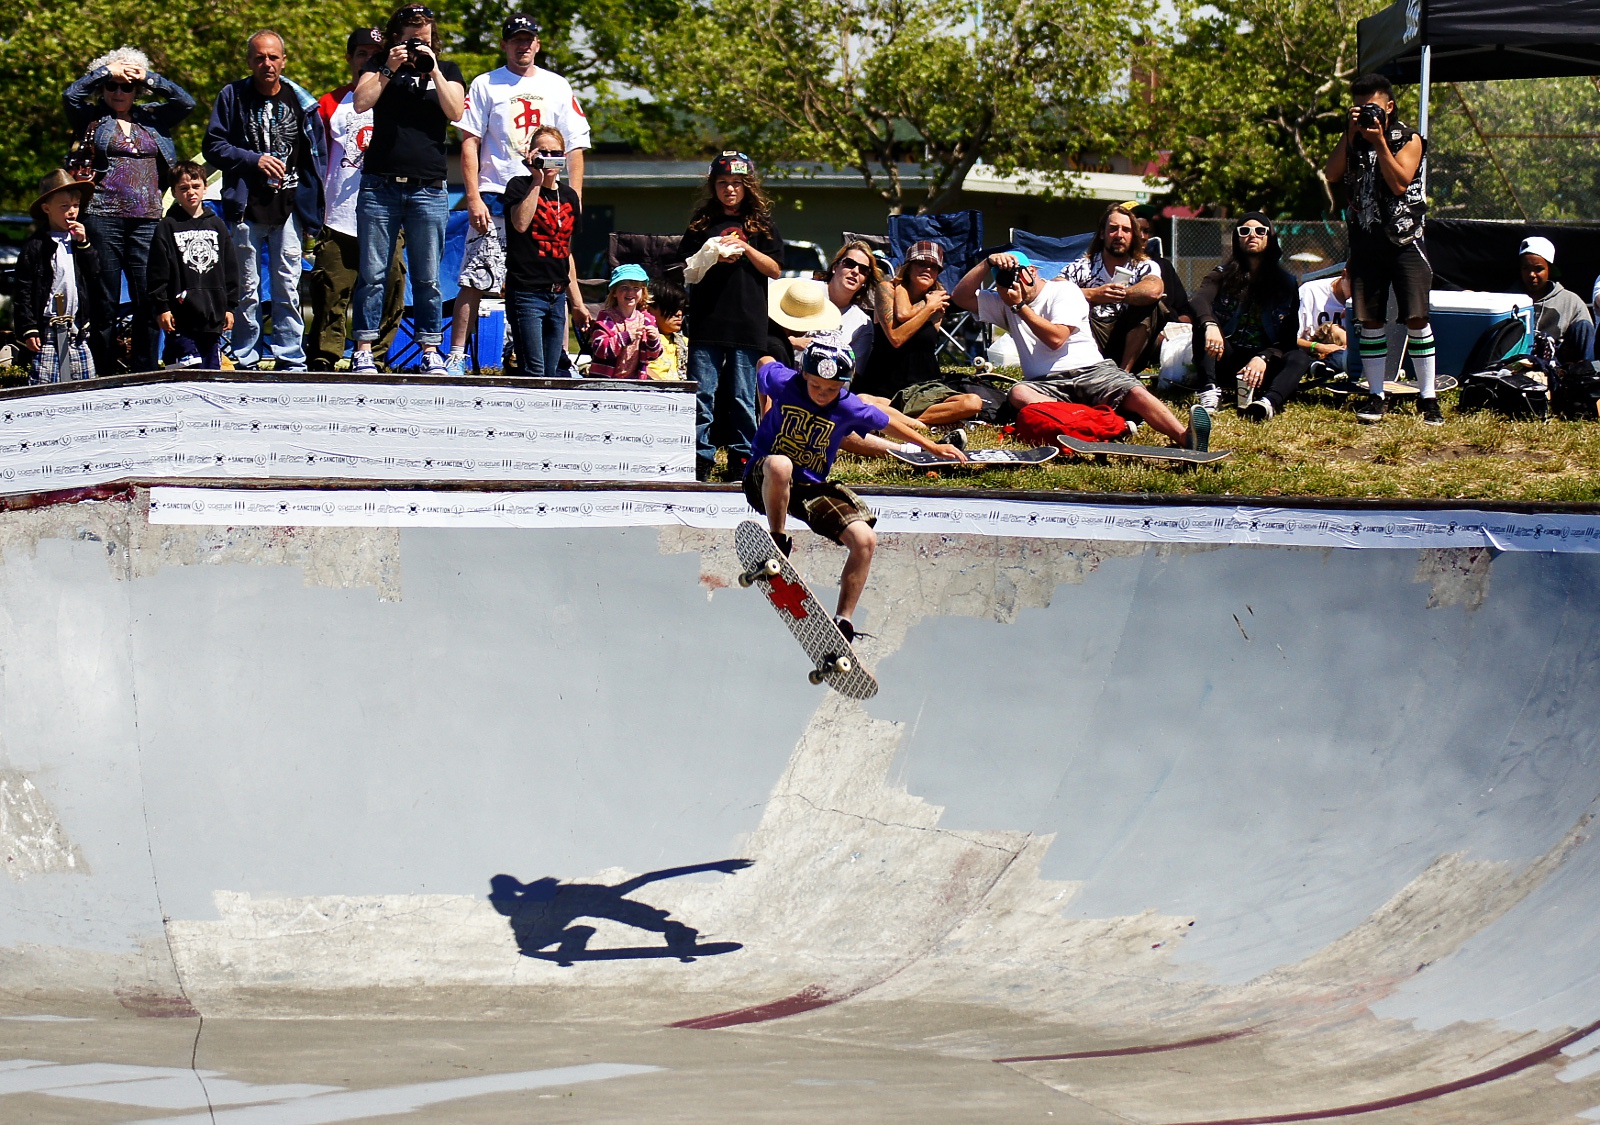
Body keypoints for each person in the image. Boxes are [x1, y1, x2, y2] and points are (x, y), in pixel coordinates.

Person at [745, 334, 966, 641]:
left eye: (832, 389)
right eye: (816, 386)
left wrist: (931, 446)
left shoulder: (849, 406)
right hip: (762, 479)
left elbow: (887, 421)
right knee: (781, 464)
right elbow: (764, 362)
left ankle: (843, 621)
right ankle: (778, 539)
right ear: (805, 374)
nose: (823, 394)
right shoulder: (785, 382)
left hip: (808, 487)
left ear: (845, 384)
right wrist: (765, 408)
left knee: (865, 539)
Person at [448, 13, 591, 377]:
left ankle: (558, 357)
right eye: (515, 40)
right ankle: (457, 354)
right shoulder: (485, 84)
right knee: (476, 275)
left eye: (528, 39)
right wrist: (474, 195)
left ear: (538, 44)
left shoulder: (558, 85)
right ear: (504, 44)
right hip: (497, 191)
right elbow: (470, 142)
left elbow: (575, 146)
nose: (523, 46)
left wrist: (573, 196)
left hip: (549, 197)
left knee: (554, 271)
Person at [952, 250, 1210, 450]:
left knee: (1134, 391)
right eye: (1004, 281)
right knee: (1019, 393)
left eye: (1017, 275)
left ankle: (1185, 436)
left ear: (1032, 270)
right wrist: (987, 263)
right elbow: (960, 297)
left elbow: (1056, 338)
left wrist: (1020, 307)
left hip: (1090, 371)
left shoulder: (1063, 291)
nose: (1013, 284)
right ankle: (1102, 423)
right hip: (1044, 384)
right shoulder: (1006, 299)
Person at [63, 46, 195, 373]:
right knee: (104, 302)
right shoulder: (91, 118)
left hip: (148, 219)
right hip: (102, 217)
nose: (119, 92)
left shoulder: (153, 116)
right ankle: (104, 374)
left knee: (148, 301)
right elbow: (70, 96)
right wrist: (106, 71)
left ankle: (144, 372)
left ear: (137, 90)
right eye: (112, 86)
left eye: (127, 86)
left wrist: (150, 78)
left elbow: (186, 103)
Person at [349, 4, 466, 375]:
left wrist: (432, 70)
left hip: (428, 188)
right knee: (373, 272)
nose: (418, 45)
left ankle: (431, 348)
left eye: (425, 38)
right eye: (412, 39)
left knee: (427, 275)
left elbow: (456, 111)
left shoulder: (446, 70)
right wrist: (389, 67)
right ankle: (364, 348)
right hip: (380, 184)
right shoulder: (380, 67)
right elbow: (361, 101)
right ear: (397, 37)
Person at [203, 30, 324, 372]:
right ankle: (246, 357)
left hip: (289, 207)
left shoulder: (300, 101)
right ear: (249, 61)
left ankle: (290, 358)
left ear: (283, 61)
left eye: (273, 57)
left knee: (288, 286)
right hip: (246, 206)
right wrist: (252, 159)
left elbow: (317, 158)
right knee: (247, 288)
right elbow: (213, 145)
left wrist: (314, 209)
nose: (266, 64)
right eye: (259, 57)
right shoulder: (232, 96)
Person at [1324, 72, 1439, 425]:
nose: (1365, 114)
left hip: (1404, 240)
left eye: (1370, 107)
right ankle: (1376, 394)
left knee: (1416, 317)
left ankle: (1428, 396)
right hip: (1366, 241)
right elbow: (1331, 173)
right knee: (1369, 320)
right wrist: (1351, 133)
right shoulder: (1354, 140)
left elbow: (1400, 182)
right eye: (1358, 108)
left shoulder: (1410, 138)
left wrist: (1378, 143)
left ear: (1389, 106)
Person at [677, 151, 784, 481]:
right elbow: (684, 267)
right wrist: (710, 255)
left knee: (741, 396)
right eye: (723, 183)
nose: (730, 190)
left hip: (747, 322)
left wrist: (746, 249)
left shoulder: (761, 225)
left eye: (737, 183)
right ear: (713, 186)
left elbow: (776, 270)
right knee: (702, 393)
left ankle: (742, 458)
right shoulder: (701, 223)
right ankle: (700, 456)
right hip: (708, 320)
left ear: (748, 186)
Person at [308, 27, 408, 371]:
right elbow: (313, 160)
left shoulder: (398, 98)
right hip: (339, 214)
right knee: (331, 286)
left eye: (375, 54)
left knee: (392, 284)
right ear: (350, 58)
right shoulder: (330, 103)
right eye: (361, 53)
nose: (368, 59)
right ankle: (326, 353)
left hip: (387, 212)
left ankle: (375, 356)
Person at [1190, 214, 1311, 423]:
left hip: (1262, 367)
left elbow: (1288, 338)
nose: (1252, 235)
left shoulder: (1286, 283)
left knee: (1299, 357)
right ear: (1237, 239)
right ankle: (1209, 390)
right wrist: (1210, 325)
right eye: (1244, 231)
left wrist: (1264, 357)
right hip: (1226, 357)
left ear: (1269, 237)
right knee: (1203, 325)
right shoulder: (1221, 275)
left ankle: (1267, 403)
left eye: (1260, 231)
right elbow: (1199, 300)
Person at [854, 241, 984, 428]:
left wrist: (931, 305)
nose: (927, 269)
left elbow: (906, 314)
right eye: (921, 263)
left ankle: (903, 420)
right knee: (863, 400)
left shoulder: (939, 300)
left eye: (934, 266)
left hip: (924, 389)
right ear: (908, 267)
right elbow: (896, 338)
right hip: (884, 386)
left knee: (972, 403)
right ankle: (923, 424)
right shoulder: (886, 289)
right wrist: (928, 306)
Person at [502, 125, 587, 377]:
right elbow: (520, 223)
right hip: (527, 292)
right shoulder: (519, 186)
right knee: (534, 371)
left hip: (557, 294)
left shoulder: (569, 195)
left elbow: (566, 251)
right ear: (531, 154)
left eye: (556, 153)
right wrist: (537, 180)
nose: (550, 158)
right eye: (544, 152)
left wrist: (578, 303)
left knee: (552, 374)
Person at [148, 161, 240, 369]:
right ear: (174, 192)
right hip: (181, 318)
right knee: (185, 373)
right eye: (183, 188)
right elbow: (157, 271)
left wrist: (229, 307)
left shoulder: (217, 225)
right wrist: (162, 306)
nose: (191, 192)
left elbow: (230, 269)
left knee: (211, 374)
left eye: (196, 186)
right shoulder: (167, 227)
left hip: (213, 317)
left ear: (205, 187)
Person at [14, 170, 102, 383]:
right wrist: (28, 328)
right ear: (47, 208)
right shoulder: (36, 246)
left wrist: (84, 244)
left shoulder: (80, 241)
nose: (72, 212)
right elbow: (23, 289)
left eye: (76, 206)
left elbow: (94, 273)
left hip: (77, 327)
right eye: (64, 206)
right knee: (45, 383)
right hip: (47, 328)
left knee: (84, 383)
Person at [1058, 203, 1165, 371]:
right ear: (1102, 233)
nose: (1119, 235)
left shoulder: (1144, 265)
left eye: (1126, 230)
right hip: (1093, 339)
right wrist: (1092, 294)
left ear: (1133, 236)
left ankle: (1123, 373)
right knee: (1075, 304)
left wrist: (1118, 295)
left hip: (1131, 343)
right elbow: (1055, 288)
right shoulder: (1085, 266)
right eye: (1113, 229)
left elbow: (1154, 289)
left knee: (1152, 305)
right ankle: (1095, 368)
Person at [1518, 236, 1594, 364]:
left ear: (1550, 270)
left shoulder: (1571, 301)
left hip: (1557, 366)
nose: (1531, 274)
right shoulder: (1508, 299)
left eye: (1538, 269)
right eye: (1526, 268)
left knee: (1584, 326)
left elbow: (1584, 336)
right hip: (1518, 363)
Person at [588, 264, 661, 378]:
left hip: (634, 382)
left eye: (636, 288)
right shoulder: (606, 319)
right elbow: (600, 349)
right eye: (624, 287)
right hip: (605, 383)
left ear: (643, 292)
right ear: (614, 293)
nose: (630, 292)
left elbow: (653, 356)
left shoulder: (647, 320)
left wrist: (653, 340)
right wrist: (626, 337)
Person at [1297, 266, 1352, 374]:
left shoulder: (1366, 301)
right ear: (1344, 275)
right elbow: (1290, 339)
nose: (1358, 294)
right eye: (1355, 287)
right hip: (1311, 353)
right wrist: (1319, 347)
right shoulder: (1310, 292)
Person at [646, 283, 688, 380]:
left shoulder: (686, 343)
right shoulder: (639, 339)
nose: (679, 314)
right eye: (672, 308)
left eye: (681, 308)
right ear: (649, 308)